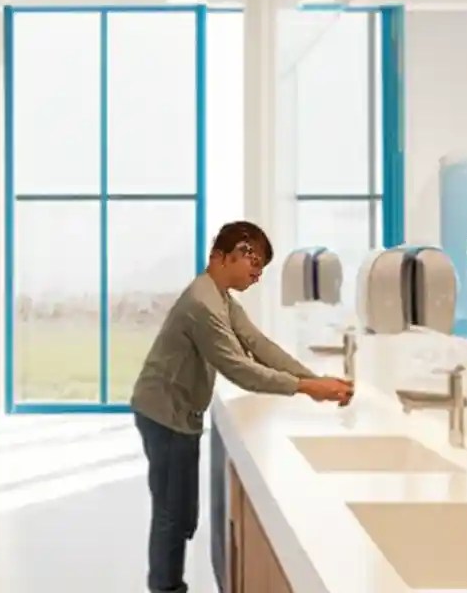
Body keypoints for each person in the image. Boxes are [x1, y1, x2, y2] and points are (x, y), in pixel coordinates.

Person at [129, 221, 354, 593]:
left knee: (182, 513)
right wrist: (308, 387)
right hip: (164, 414)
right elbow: (239, 368)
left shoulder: (220, 297)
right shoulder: (202, 303)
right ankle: (166, 589)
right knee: (173, 514)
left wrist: (313, 379)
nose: (256, 271)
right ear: (220, 256)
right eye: (250, 259)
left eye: (261, 264)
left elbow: (257, 343)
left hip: (177, 413)